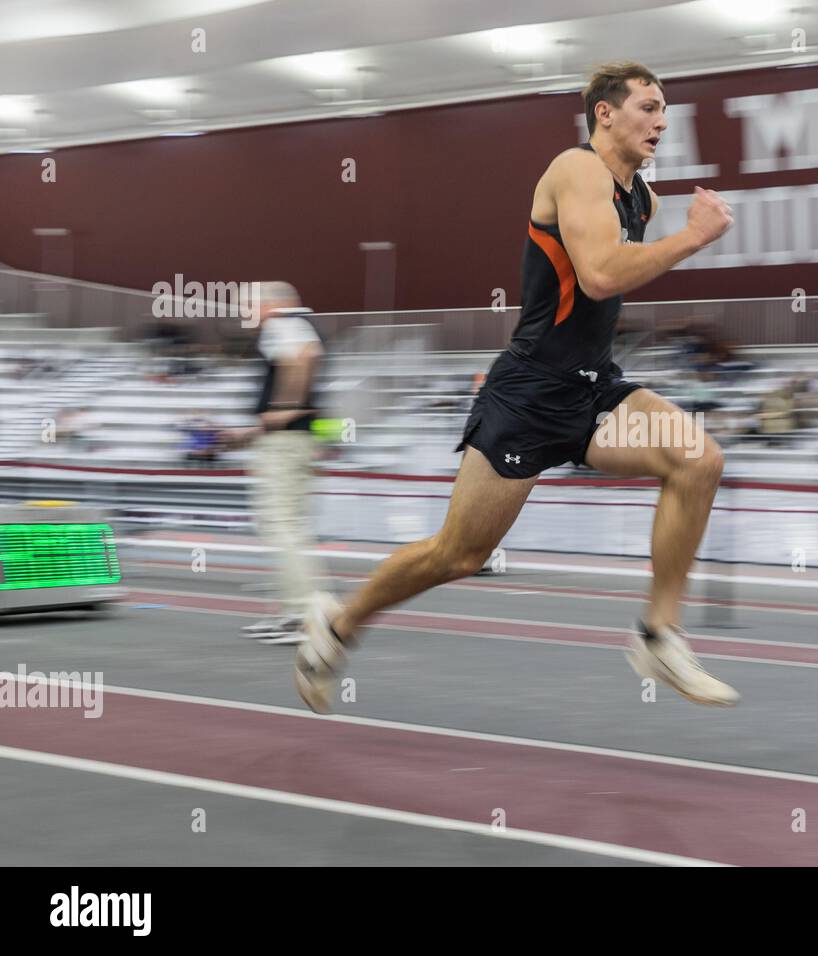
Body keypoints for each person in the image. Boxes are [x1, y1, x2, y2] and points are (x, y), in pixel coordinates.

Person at [293, 61, 739, 711]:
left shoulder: (641, 198)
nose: (662, 120)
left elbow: (611, 282)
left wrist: (676, 239)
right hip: (528, 393)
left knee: (699, 459)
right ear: (605, 114)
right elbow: (598, 277)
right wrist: (693, 240)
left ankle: (660, 633)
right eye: (648, 106)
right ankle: (336, 625)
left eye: (665, 108)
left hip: (593, 392)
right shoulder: (575, 168)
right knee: (458, 554)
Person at [221, 282, 327, 643]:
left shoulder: (282, 322)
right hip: (291, 440)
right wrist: (256, 428)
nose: (243, 313)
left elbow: (305, 355)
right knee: (289, 527)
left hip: (284, 442)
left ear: (272, 304)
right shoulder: (293, 323)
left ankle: (304, 615)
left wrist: (282, 410)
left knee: (280, 525)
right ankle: (294, 611)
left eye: (247, 305)